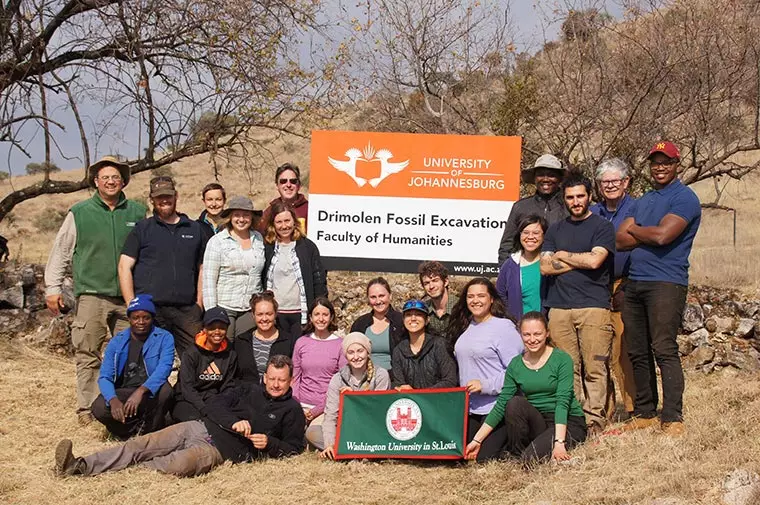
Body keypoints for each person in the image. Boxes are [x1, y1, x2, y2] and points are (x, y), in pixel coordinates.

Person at [54, 355, 306, 477]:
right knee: (142, 444)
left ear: (290, 380)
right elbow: (215, 403)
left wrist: (269, 443)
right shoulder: (247, 389)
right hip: (200, 427)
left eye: (281, 380)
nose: (275, 384)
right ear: (265, 377)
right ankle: (80, 465)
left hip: (221, 450)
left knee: (176, 465)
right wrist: (233, 421)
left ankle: (116, 473)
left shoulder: (292, 410)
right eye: (271, 378)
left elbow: (294, 448)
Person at [44, 156, 147, 425]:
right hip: (91, 295)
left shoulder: (137, 212)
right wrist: (52, 288)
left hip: (128, 298)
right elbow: (62, 251)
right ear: (96, 181)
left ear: (123, 180)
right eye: (105, 178)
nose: (111, 181)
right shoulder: (79, 212)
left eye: (116, 177)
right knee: (87, 351)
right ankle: (88, 407)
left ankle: (123, 403)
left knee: (129, 354)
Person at [616, 141, 701, 436]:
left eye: (666, 162)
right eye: (655, 162)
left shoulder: (685, 198)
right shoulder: (643, 200)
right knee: (638, 350)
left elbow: (665, 236)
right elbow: (618, 239)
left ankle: (673, 417)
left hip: (666, 281)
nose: (660, 167)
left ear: (677, 165)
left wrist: (637, 231)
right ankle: (645, 411)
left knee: (664, 348)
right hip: (635, 280)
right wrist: (645, 234)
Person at [539, 174, 615, 436]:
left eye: (580, 196)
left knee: (595, 367)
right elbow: (546, 266)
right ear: (565, 199)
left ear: (590, 197)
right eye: (570, 197)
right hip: (559, 309)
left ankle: (595, 421)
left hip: (593, 306)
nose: (575, 201)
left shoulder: (602, 227)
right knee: (568, 370)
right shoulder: (555, 229)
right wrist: (579, 259)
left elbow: (596, 262)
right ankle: (575, 420)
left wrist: (564, 255)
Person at [465, 312, 587, 465]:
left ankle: (536, 453)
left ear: (547, 333)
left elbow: (563, 402)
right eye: (527, 334)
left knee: (531, 459)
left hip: (567, 421)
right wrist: (477, 439)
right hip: (539, 421)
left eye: (537, 334)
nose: (532, 339)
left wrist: (559, 443)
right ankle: (518, 452)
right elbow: (502, 404)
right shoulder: (516, 364)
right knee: (514, 403)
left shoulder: (562, 359)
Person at [118, 176, 207, 356]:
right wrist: (132, 305)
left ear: (176, 196)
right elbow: (124, 267)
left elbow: (203, 268)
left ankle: (185, 386)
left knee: (196, 359)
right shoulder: (142, 229)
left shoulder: (194, 229)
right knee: (150, 360)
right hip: (151, 309)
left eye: (168, 196)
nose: (164, 200)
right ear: (152, 199)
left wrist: (199, 303)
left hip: (187, 310)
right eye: (159, 197)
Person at [448, 277, 524, 462]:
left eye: (481, 295)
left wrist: (486, 385)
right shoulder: (464, 327)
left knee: (484, 458)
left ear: (491, 299)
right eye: (470, 296)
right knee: (459, 454)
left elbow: (517, 371)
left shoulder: (503, 327)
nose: (475, 300)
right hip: (471, 407)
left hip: (496, 406)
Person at [90, 295, 174, 440]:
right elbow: (105, 376)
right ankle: (126, 432)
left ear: (152, 318)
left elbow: (164, 368)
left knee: (166, 391)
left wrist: (141, 391)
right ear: (129, 318)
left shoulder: (164, 337)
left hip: (149, 390)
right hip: (124, 389)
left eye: (146, 318)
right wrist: (113, 400)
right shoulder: (117, 341)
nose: (141, 322)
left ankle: (150, 431)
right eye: (136, 317)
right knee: (99, 407)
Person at [591, 158, 637, 419]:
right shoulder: (593, 211)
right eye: (605, 181)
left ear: (626, 182)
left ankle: (632, 407)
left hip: (624, 285)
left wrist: (627, 287)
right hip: (595, 286)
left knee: (624, 351)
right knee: (597, 352)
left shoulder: (636, 208)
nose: (610, 186)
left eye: (615, 181)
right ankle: (603, 410)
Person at [315, 332, 391, 456]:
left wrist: (354, 398)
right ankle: (340, 447)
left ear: (367, 352)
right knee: (313, 432)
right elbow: (331, 415)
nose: (356, 357)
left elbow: (378, 411)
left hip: (372, 428)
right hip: (346, 428)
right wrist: (330, 444)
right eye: (351, 353)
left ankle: (358, 447)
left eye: (360, 351)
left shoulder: (381, 375)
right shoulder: (337, 379)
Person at [263, 201, 327, 342]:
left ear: (294, 221)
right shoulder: (268, 247)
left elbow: (319, 280)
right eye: (279, 222)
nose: (284, 226)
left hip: (301, 312)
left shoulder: (307, 247)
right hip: (276, 313)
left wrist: (319, 308)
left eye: (287, 220)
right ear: (273, 224)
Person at [202, 196, 265, 338]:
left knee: (244, 348)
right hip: (224, 306)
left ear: (252, 217)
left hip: (250, 307)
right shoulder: (217, 242)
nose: (241, 219)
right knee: (224, 349)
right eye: (237, 215)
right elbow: (209, 280)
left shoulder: (259, 239)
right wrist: (213, 313)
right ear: (230, 217)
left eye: (246, 215)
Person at [497, 154, 568, 264]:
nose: (545, 179)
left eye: (551, 175)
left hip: (561, 273)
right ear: (534, 178)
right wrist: (507, 273)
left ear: (559, 178)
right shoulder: (521, 207)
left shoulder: (569, 207)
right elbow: (507, 245)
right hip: (526, 271)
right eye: (541, 175)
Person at [172, 307, 238, 423]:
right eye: (212, 328)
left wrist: (221, 403)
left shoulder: (231, 354)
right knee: (196, 422)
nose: (217, 332)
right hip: (186, 399)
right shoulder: (191, 353)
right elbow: (187, 388)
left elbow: (228, 384)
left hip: (213, 398)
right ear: (204, 329)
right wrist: (203, 408)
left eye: (222, 328)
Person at [291, 297, 346, 431]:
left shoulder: (340, 344)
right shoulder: (301, 342)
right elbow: (295, 378)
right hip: (300, 404)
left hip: (326, 406)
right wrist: (297, 404)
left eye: (325, 315)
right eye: (317, 314)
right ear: (310, 317)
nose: (321, 319)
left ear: (331, 317)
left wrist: (317, 410)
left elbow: (342, 382)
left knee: (314, 434)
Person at [391, 299, 458, 390]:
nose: (413, 318)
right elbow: (399, 383)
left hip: (439, 401)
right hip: (412, 402)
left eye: (419, 315)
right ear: (403, 320)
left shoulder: (439, 344)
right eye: (408, 315)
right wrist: (401, 387)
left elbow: (450, 380)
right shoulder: (398, 351)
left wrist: (423, 394)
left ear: (427, 320)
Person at [235, 291, 296, 384]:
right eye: (260, 314)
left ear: (275, 314)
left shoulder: (289, 341)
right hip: (246, 395)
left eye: (269, 314)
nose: (264, 319)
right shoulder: (241, 341)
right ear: (253, 315)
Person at [495, 215, 548, 320]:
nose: (530, 237)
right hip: (518, 327)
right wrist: (511, 317)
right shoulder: (510, 265)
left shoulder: (550, 262)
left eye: (536, 233)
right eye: (525, 232)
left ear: (544, 235)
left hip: (545, 327)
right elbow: (500, 294)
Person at [350, 277, 405, 372]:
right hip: (365, 376)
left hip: (394, 377)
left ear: (390, 296)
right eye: (373, 297)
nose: (378, 301)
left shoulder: (401, 321)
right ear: (368, 299)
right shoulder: (360, 324)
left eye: (381, 296)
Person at [417, 261, 459, 351]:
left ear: (446, 281)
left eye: (435, 280)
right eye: (426, 283)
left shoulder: (461, 307)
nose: (431, 286)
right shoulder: (423, 310)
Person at [258, 162, 309, 234]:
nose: (288, 185)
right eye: (283, 181)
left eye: (293, 181)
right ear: (277, 185)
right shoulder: (269, 212)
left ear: (299, 185)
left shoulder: (310, 210)